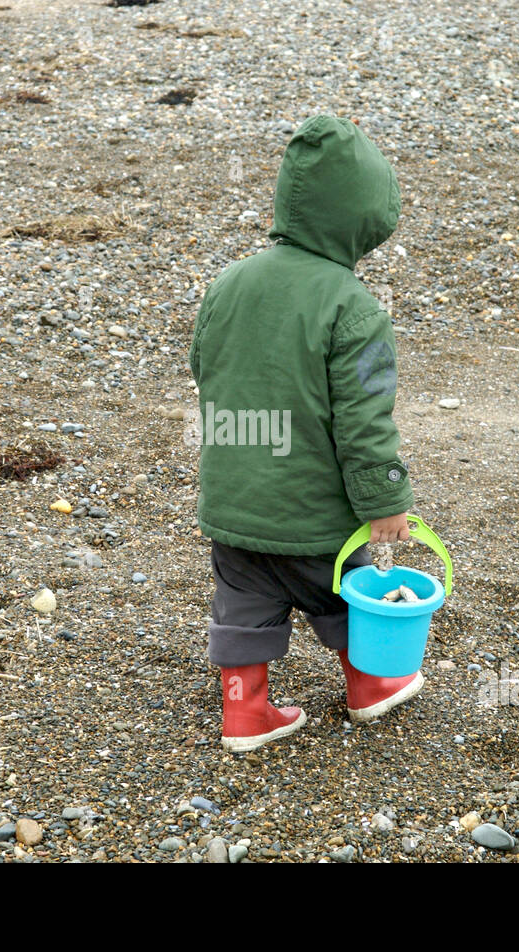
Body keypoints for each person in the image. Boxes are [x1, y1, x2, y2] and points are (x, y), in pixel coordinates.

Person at [188, 115, 423, 753]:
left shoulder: (230, 282)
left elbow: (203, 368)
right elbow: (365, 418)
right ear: (362, 219)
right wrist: (385, 503)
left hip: (235, 500)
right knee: (347, 593)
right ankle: (370, 687)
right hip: (312, 511)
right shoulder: (354, 306)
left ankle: (245, 713)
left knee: (242, 597)